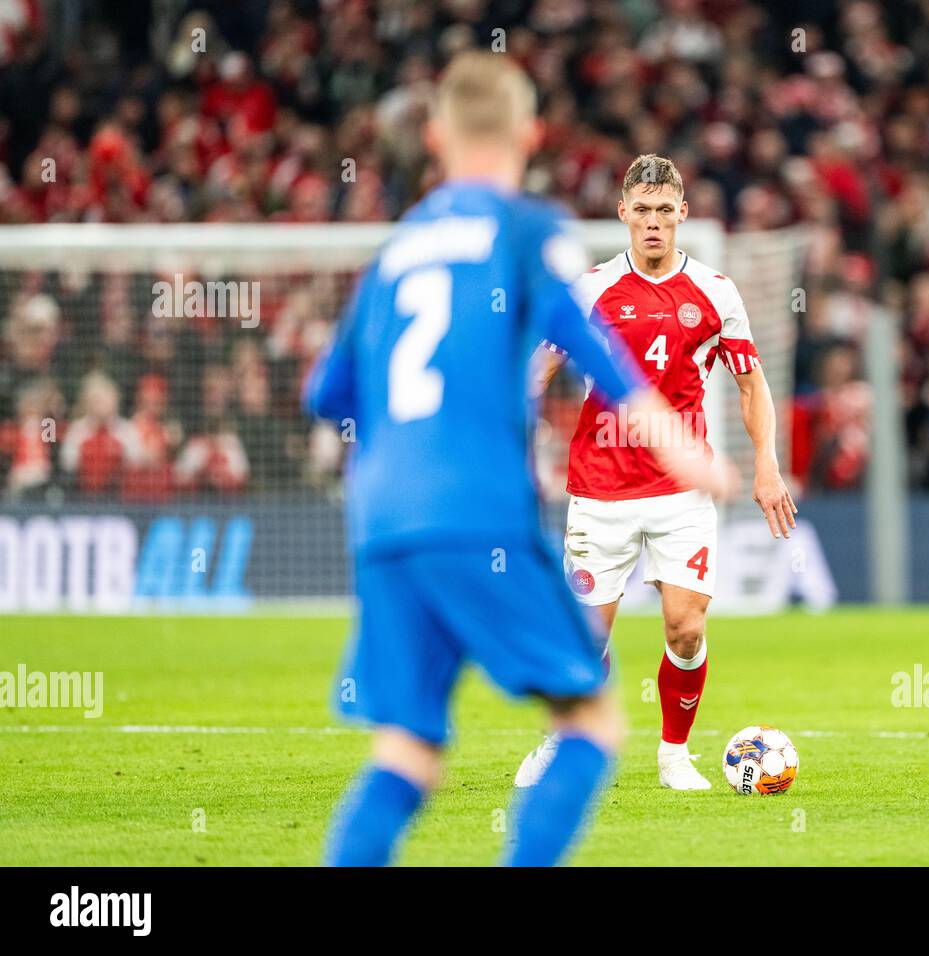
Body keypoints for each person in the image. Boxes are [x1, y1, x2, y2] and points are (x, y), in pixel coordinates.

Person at [304, 52, 722, 867]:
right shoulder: (528, 229)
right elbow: (597, 354)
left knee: (406, 756)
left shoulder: (398, 249)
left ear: (433, 136)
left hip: (382, 520)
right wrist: (687, 452)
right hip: (474, 512)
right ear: (532, 133)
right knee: (593, 722)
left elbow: (327, 394)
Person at [515, 154, 797, 791]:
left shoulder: (716, 293)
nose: (651, 223)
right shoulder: (591, 290)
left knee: (686, 627)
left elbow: (752, 386)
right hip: (599, 486)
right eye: (640, 210)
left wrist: (766, 465)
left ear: (682, 215)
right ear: (622, 213)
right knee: (585, 637)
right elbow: (540, 369)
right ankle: (560, 744)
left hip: (682, 490)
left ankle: (674, 755)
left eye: (663, 211)